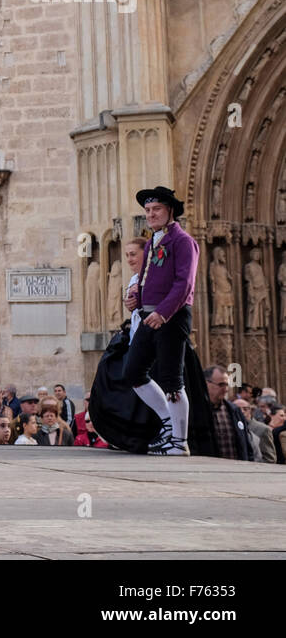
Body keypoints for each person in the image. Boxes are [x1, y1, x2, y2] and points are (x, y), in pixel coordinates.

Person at [123, 186, 198, 455]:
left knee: (171, 379)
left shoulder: (182, 241)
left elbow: (184, 283)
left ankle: (179, 442)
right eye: (148, 210)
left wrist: (163, 312)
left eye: (156, 209)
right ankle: (168, 421)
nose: (151, 214)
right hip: (148, 315)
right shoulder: (154, 239)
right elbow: (146, 281)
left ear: (170, 212)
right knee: (132, 371)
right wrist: (136, 300)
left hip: (172, 316)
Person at [204, 365, 254, 461]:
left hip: (237, 471)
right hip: (210, 471)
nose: (226, 389)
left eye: (227, 385)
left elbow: (246, 445)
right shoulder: (198, 413)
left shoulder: (234, 411)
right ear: (206, 383)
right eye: (221, 385)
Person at [234, 398, 277, 463]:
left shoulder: (263, 429)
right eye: (238, 409)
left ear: (250, 410)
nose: (242, 411)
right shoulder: (231, 428)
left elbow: (269, 459)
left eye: (245, 409)